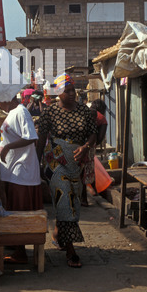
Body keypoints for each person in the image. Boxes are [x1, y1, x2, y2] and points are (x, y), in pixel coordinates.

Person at [36, 73, 97, 268]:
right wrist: (36, 166)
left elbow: (93, 134)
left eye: (73, 90)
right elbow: (41, 138)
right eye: (67, 91)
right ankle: (71, 251)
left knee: (73, 201)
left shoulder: (84, 112)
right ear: (58, 94)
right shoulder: (50, 112)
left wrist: (86, 147)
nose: (72, 94)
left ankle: (58, 233)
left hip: (76, 164)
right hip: (55, 162)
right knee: (66, 198)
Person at [0, 96, 43, 264]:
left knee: (20, 211)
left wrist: (8, 147)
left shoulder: (21, 111)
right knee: (14, 210)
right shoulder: (12, 113)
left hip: (22, 170)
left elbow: (31, 137)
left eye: (0, 100)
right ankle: (18, 248)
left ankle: (21, 252)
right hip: (13, 169)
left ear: (8, 97)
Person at [81, 99, 108, 206]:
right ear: (102, 109)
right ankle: (85, 198)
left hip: (76, 144)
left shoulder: (83, 112)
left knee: (80, 169)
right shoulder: (101, 118)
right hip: (89, 146)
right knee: (88, 168)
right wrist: (92, 145)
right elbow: (100, 138)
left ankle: (91, 191)